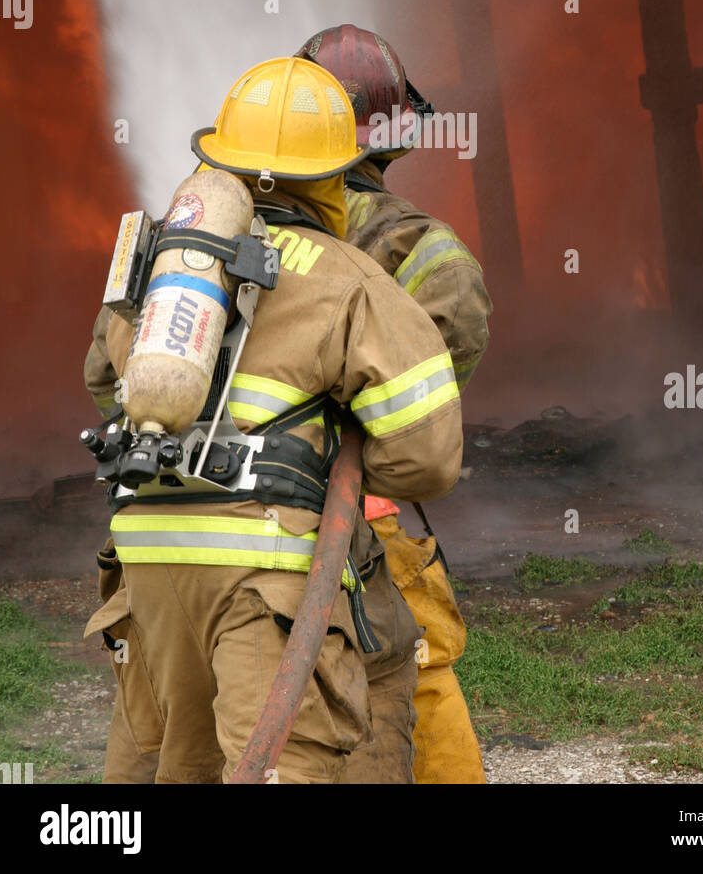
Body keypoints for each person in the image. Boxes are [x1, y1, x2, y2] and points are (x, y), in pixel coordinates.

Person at [83, 56, 462, 784]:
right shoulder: (346, 278)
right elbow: (429, 456)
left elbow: (106, 382)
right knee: (276, 767)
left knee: (172, 765)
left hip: (146, 569)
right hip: (266, 579)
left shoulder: (165, 269)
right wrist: (315, 463)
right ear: (334, 175)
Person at [296, 25, 491, 785]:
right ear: (391, 135)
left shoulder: (225, 227)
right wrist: (393, 432)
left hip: (230, 525)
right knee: (418, 669)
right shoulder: (410, 242)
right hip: (363, 525)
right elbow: (462, 315)